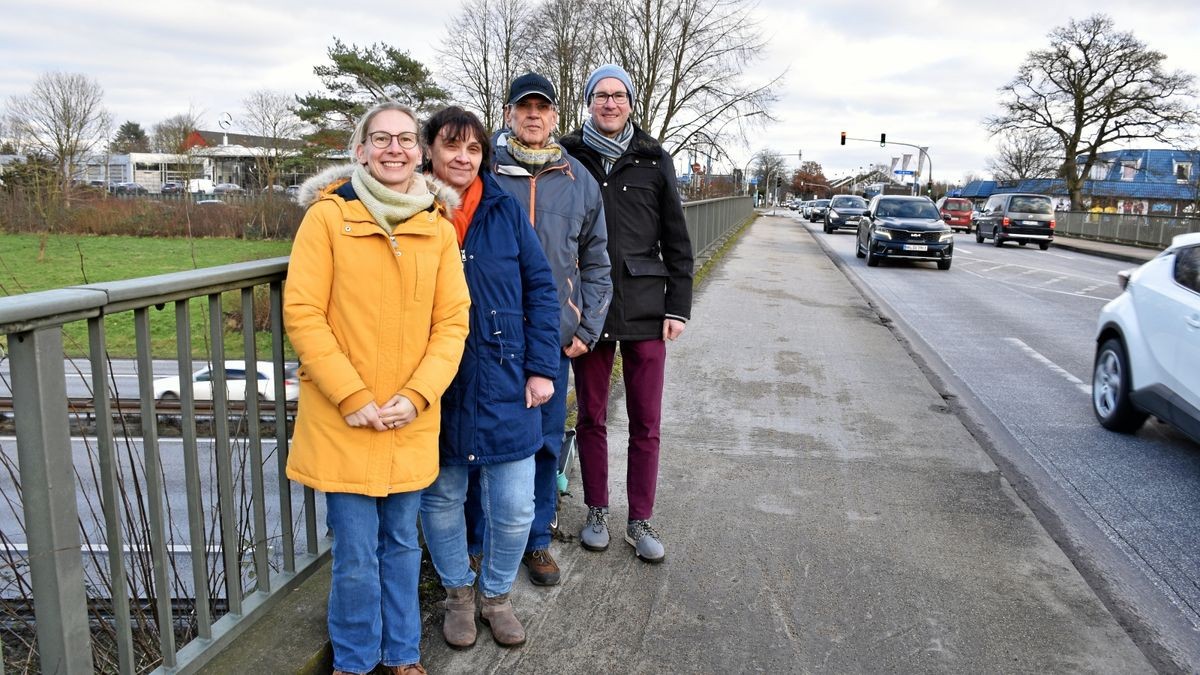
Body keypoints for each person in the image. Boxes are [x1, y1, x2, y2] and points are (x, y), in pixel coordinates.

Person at [284, 101, 471, 675]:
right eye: (382, 138)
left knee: (401, 544)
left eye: (406, 139)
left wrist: (416, 396)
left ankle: (402, 655)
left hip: (408, 417)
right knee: (355, 552)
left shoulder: (436, 227)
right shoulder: (327, 218)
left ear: (420, 151)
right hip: (343, 417)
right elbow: (304, 312)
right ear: (360, 150)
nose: (395, 148)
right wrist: (353, 397)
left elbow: (452, 323)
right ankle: (355, 659)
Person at [417, 105, 560, 649]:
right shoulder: (412, 209)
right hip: (436, 381)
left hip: (506, 375)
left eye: (474, 148)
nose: (463, 157)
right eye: (452, 145)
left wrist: (541, 368)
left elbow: (541, 288)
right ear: (430, 151)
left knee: (516, 505)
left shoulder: (504, 210)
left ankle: (496, 597)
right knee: (441, 498)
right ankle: (458, 594)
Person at [474, 71, 611, 587]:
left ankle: (536, 539)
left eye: (542, 107)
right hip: (487, 337)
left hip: (551, 338)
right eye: (524, 107)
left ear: (555, 115)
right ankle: (478, 545)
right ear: (508, 113)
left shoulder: (579, 180)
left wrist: (586, 326)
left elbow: (596, 261)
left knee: (545, 440)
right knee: (479, 440)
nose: (533, 115)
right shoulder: (484, 172)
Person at [560, 64, 694, 564]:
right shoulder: (569, 155)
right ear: (588, 102)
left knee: (646, 421)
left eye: (619, 95)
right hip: (589, 308)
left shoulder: (654, 158)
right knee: (591, 416)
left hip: (646, 306)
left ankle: (640, 520)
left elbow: (677, 237)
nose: (610, 103)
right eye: (601, 95)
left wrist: (678, 307)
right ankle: (597, 509)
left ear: (631, 103)